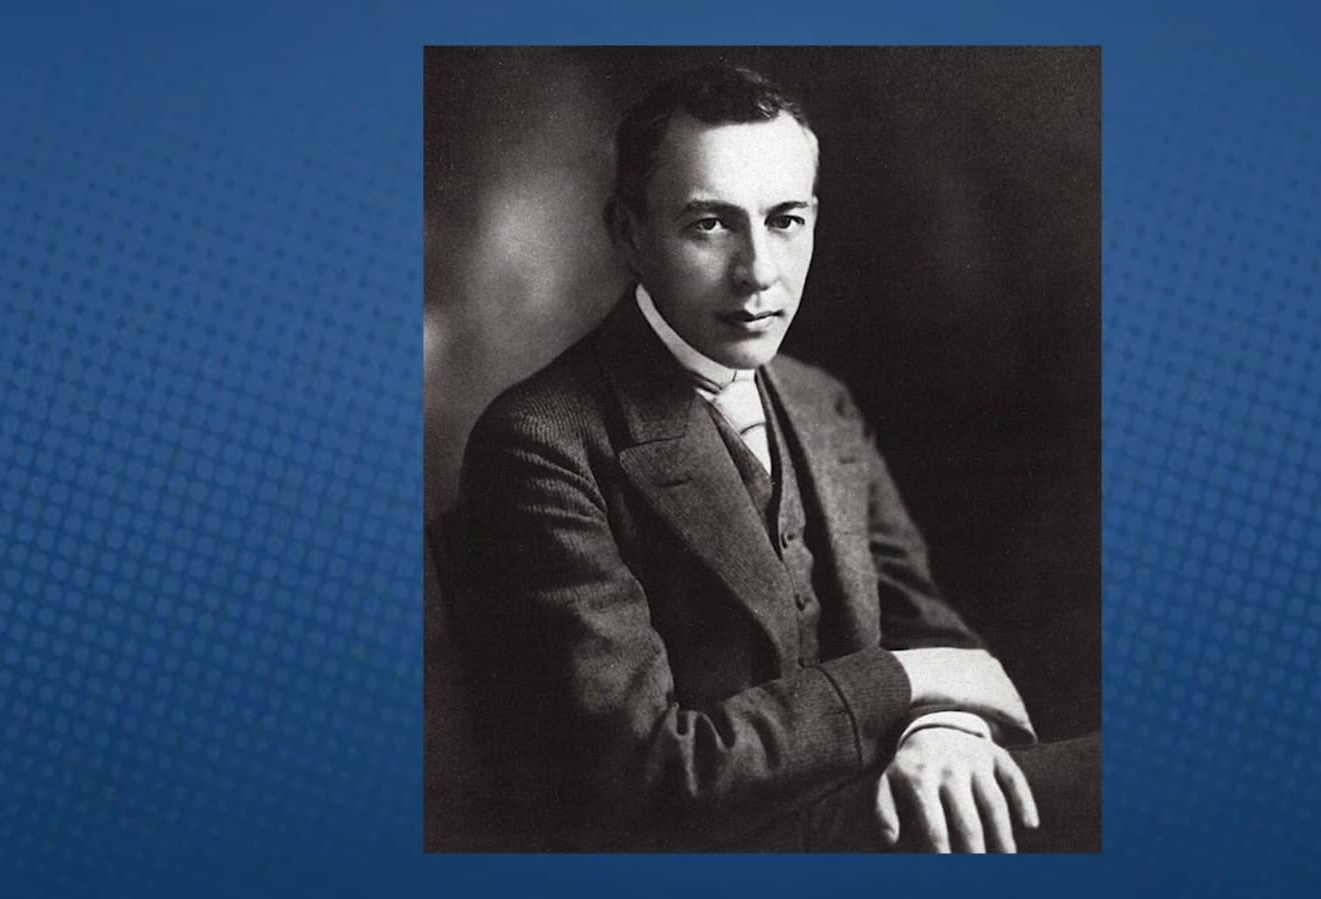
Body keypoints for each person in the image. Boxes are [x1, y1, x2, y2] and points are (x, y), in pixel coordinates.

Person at [451, 64, 1099, 852]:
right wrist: (902, 682)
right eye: (709, 225)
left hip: (884, 804)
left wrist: (939, 729)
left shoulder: (821, 403)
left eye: (785, 220)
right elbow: (645, 774)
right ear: (629, 233)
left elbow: (929, 632)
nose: (758, 270)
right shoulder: (541, 442)